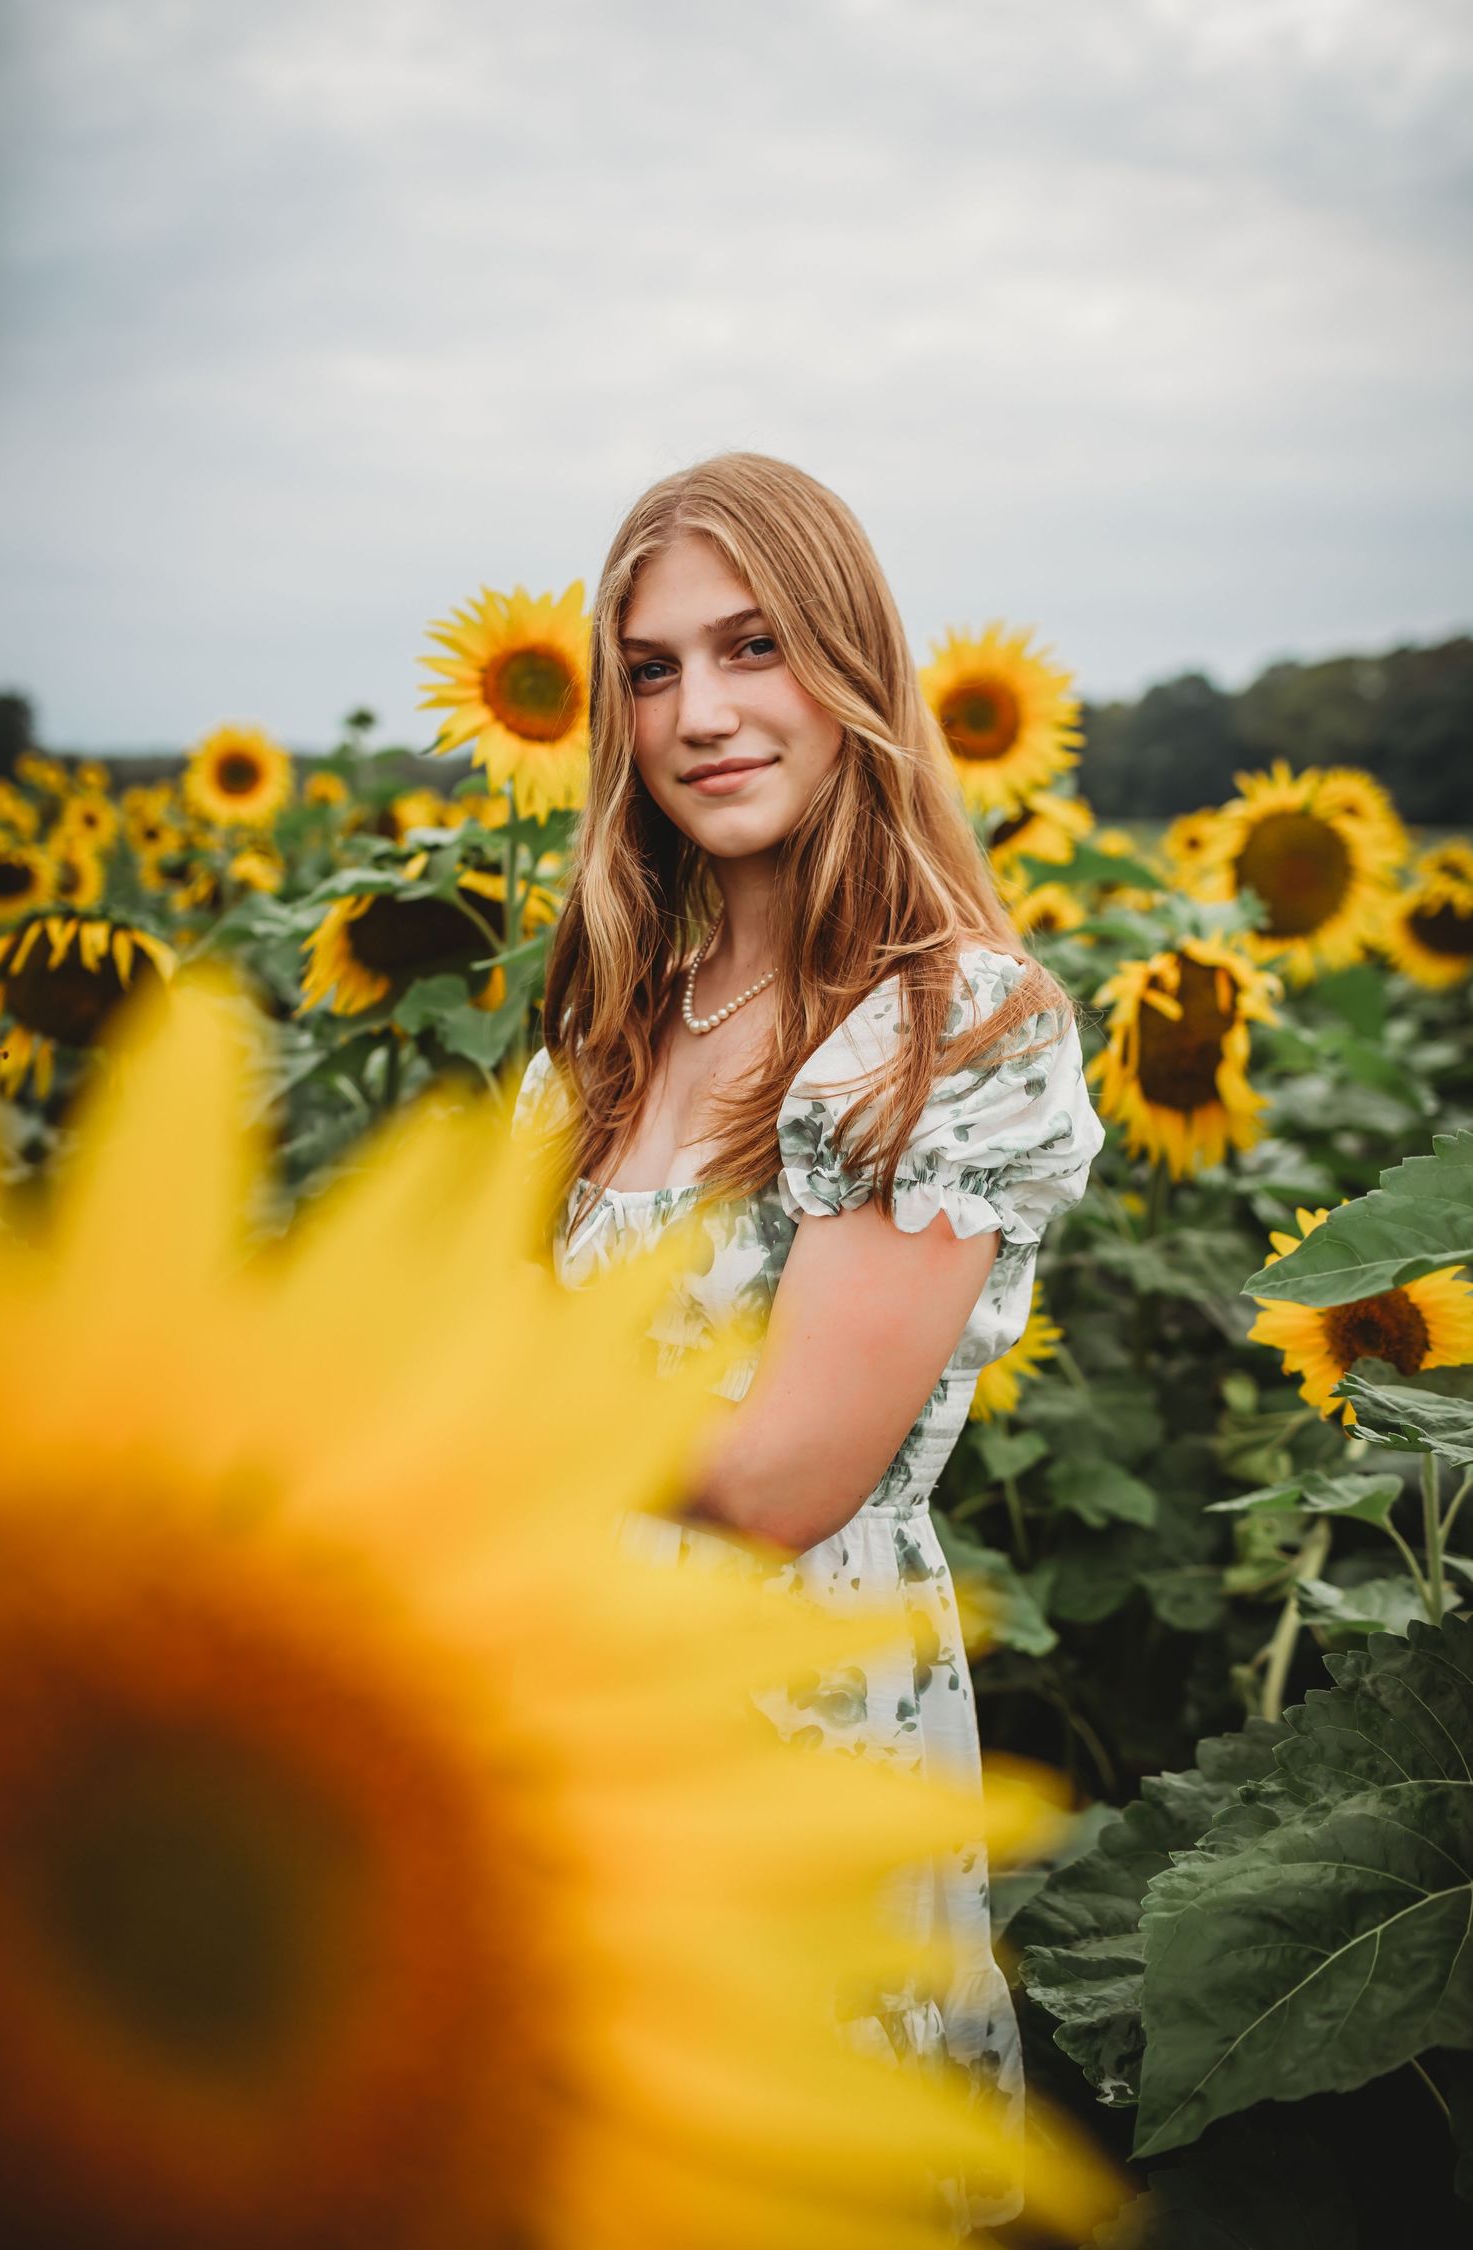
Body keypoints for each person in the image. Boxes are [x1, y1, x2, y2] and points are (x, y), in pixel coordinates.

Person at [513, 450, 1105, 2232]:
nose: (704, 710)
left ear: (849, 663)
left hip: (782, 1733)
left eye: (753, 646)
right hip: (557, 1712)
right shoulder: (607, 1030)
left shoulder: (943, 1029)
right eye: (655, 666)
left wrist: (477, 1431)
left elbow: (780, 1478)